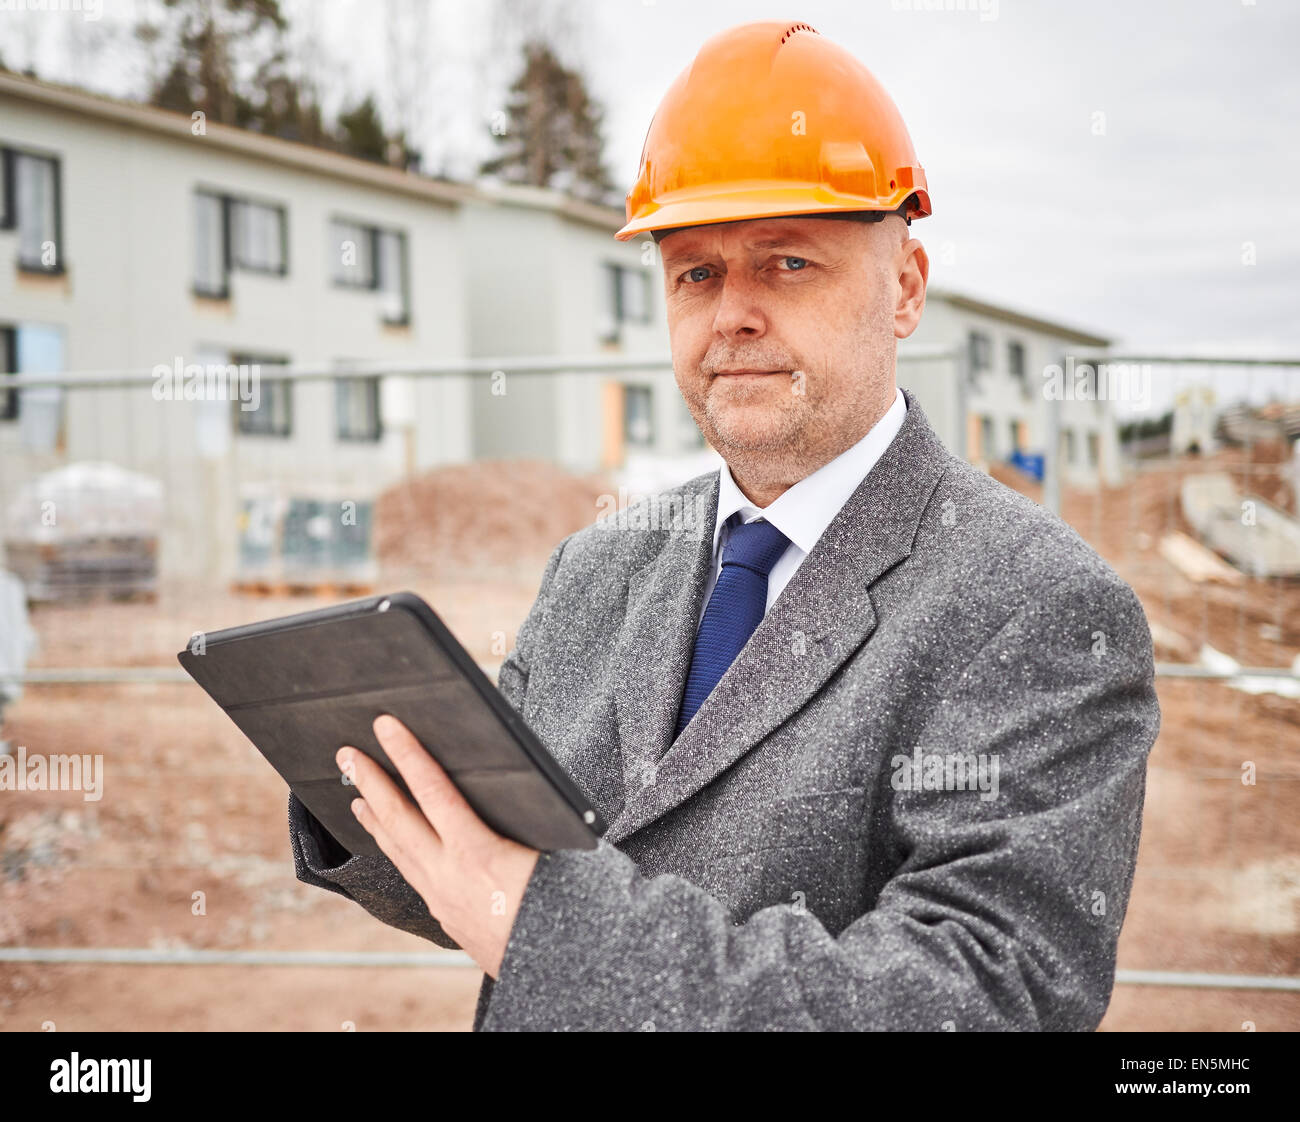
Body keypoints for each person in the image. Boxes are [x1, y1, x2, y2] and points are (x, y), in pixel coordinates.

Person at [288, 19, 1160, 1031]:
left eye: (786, 262)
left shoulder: (1036, 607)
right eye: (695, 273)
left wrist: (546, 931)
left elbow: (979, 996)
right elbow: (490, 865)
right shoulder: (597, 566)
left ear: (906, 288)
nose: (731, 313)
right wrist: (348, 773)